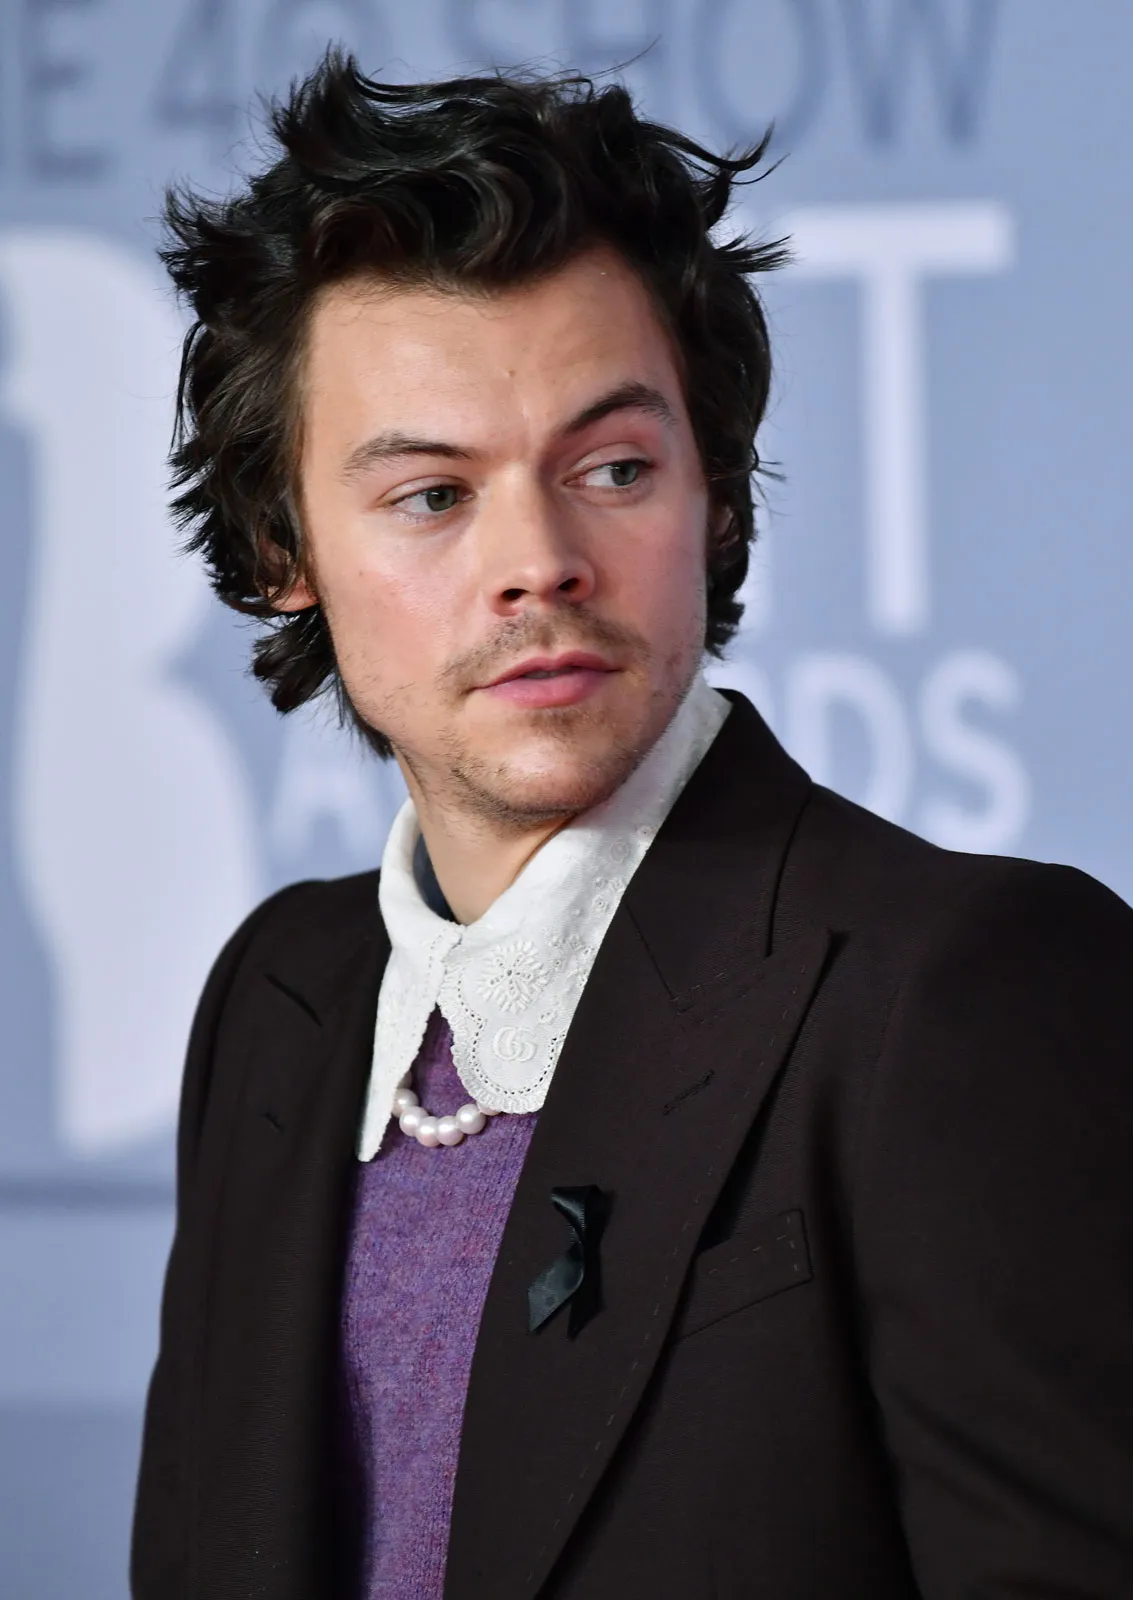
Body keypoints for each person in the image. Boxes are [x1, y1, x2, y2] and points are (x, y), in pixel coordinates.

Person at [131, 50, 1133, 1600]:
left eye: (612, 467)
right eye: (432, 496)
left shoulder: (959, 988)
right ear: (282, 549)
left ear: (714, 493)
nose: (539, 560)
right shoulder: (277, 1000)